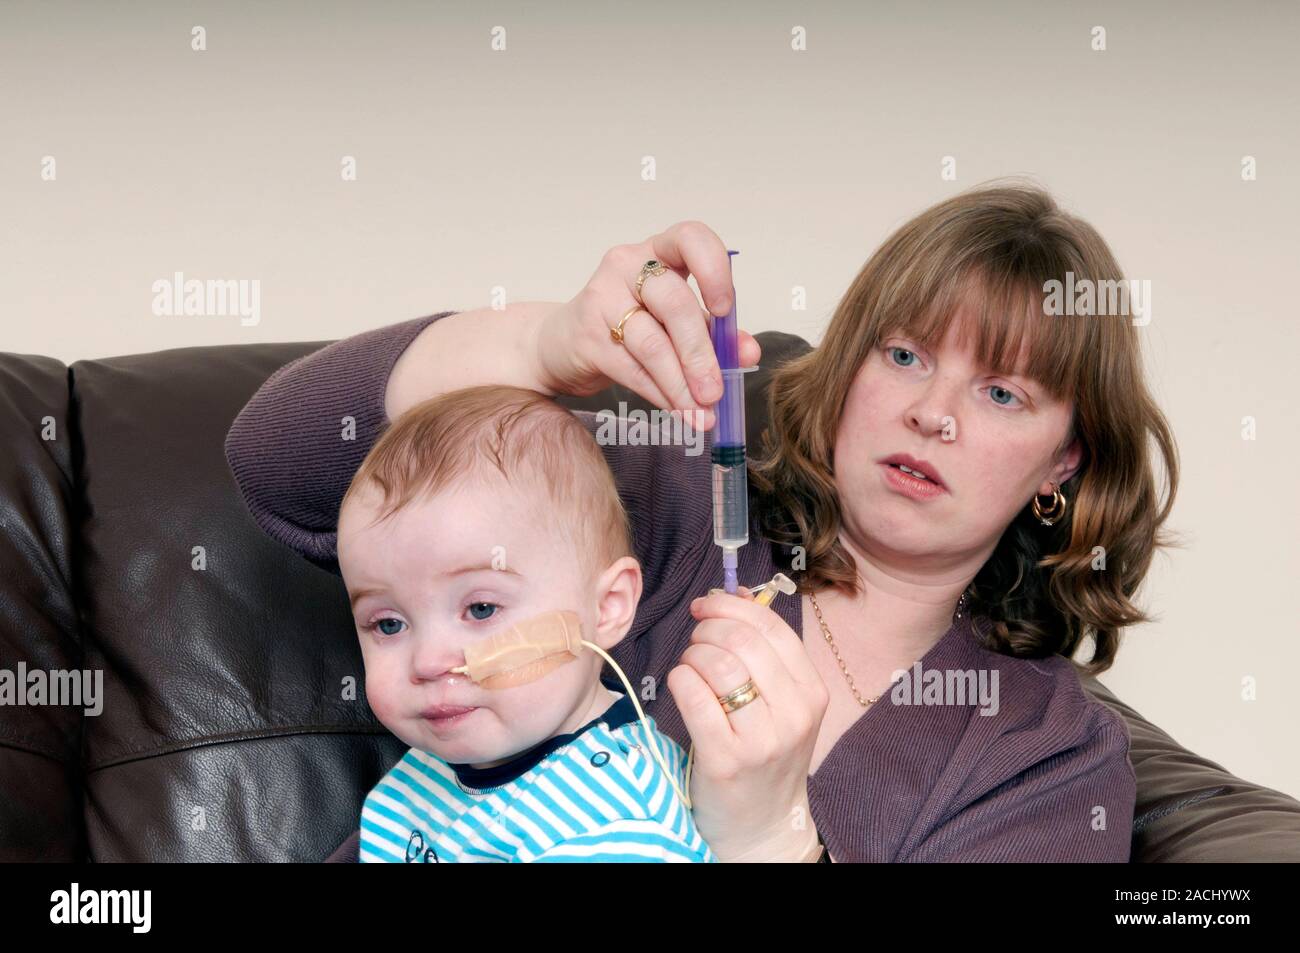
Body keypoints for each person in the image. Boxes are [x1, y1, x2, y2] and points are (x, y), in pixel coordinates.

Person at [225, 179, 1179, 861]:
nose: (935, 411)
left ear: (1064, 460)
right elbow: (278, 461)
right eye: (903, 353)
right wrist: (544, 343)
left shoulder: (1046, 759)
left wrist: (771, 840)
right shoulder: (662, 503)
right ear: (846, 366)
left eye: (1004, 393)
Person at [339, 384, 715, 862]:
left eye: (480, 609)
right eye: (389, 624)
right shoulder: (432, 769)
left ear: (607, 607)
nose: (429, 662)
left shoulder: (615, 829)